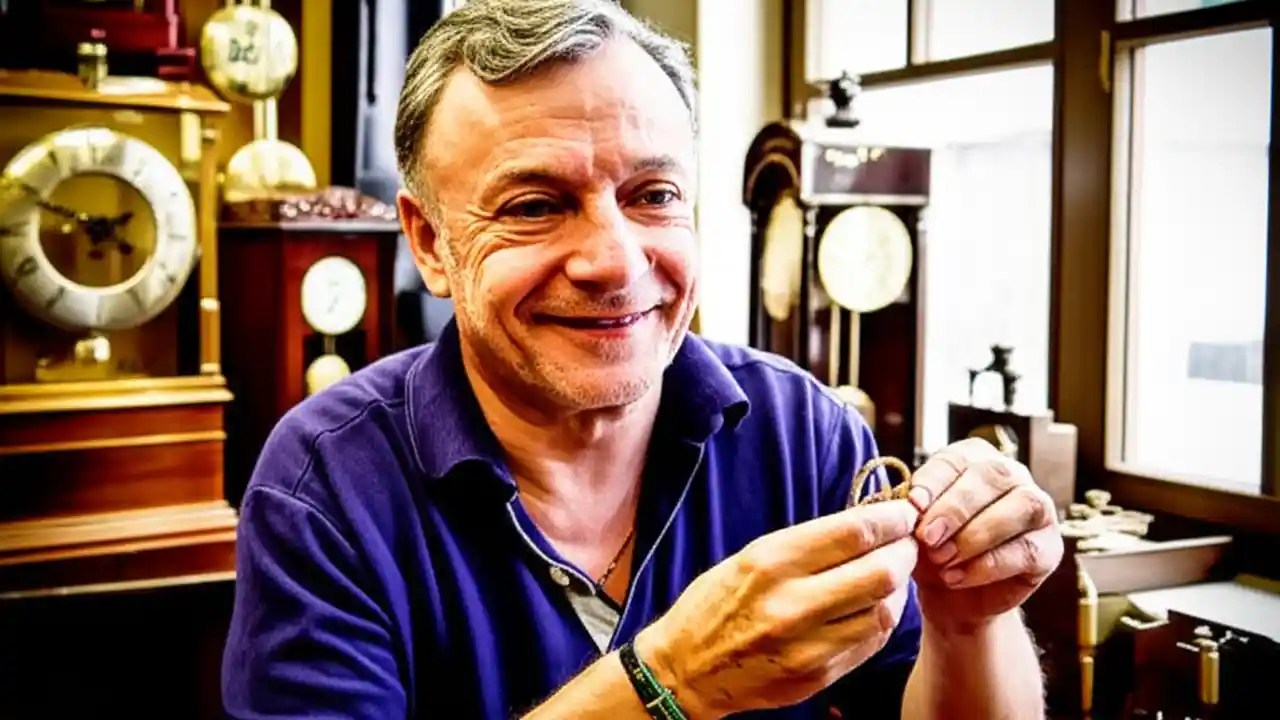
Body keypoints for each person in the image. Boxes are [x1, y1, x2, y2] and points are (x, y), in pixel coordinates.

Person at [220, 1, 1065, 717]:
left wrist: (970, 625)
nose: (616, 261)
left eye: (653, 195)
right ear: (430, 243)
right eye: (536, 205)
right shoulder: (324, 486)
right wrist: (667, 682)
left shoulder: (802, 431)